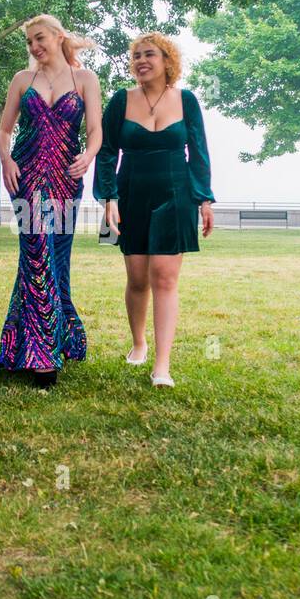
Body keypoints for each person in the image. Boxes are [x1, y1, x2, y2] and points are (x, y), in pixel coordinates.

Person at [92, 32, 214, 388]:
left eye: (149, 55)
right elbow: (106, 151)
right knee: (138, 278)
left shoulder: (187, 100)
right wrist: (108, 198)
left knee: (164, 276)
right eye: (136, 56)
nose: (141, 62)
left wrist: (204, 198)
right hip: (130, 192)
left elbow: (200, 152)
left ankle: (162, 366)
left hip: (175, 192)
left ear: (167, 61)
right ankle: (138, 343)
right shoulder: (120, 100)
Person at [0, 15, 103, 388]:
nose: (34, 47)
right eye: (29, 43)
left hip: (67, 179)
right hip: (25, 177)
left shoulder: (85, 80)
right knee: (37, 252)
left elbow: (95, 130)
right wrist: (6, 159)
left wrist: (89, 155)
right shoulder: (22, 81)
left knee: (54, 259)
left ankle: (36, 343)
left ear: (58, 37)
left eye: (39, 38)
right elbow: (4, 131)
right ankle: (42, 357)